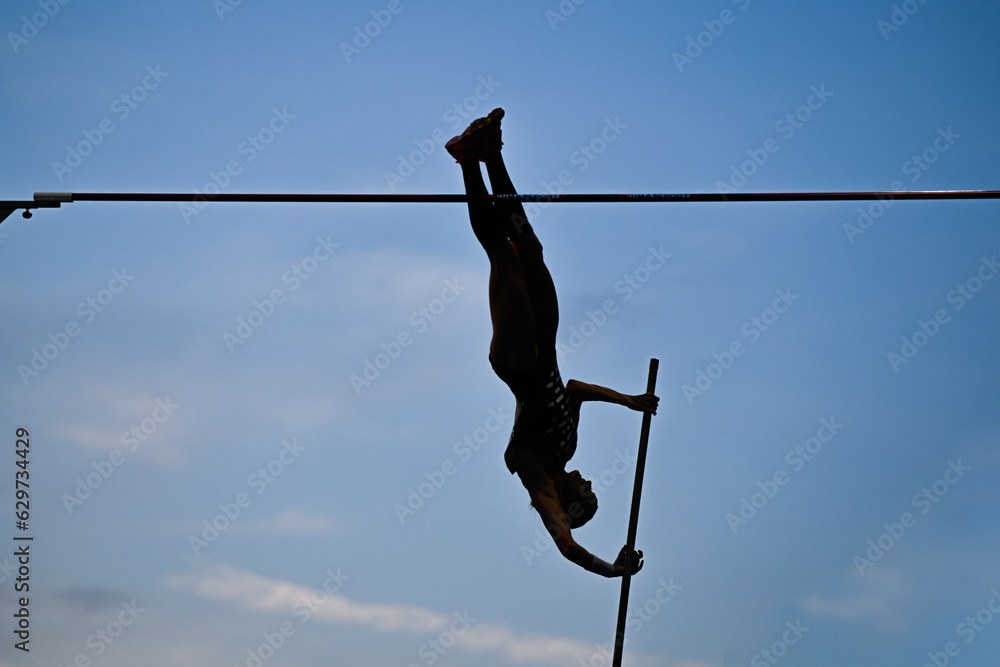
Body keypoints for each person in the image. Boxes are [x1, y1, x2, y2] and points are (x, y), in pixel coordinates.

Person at [446, 108, 658, 577]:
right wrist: (629, 402)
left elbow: (564, 546)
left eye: (588, 492)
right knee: (531, 250)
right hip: (549, 347)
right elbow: (577, 388)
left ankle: (467, 160)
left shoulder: (539, 479)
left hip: (521, 366)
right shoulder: (568, 449)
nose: (588, 482)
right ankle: (491, 153)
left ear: (570, 504)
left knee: (503, 255)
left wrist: (612, 570)